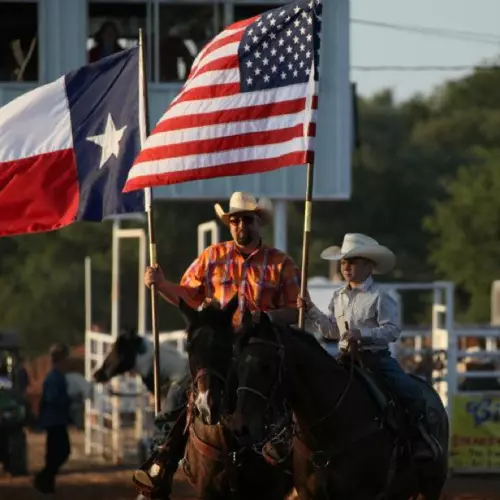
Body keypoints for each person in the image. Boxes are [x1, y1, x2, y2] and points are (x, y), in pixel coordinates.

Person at [133, 191, 301, 498]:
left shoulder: (280, 263)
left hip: (260, 346)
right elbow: (188, 296)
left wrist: (263, 317)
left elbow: (295, 310)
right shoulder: (212, 257)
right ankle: (162, 463)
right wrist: (161, 285)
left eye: (246, 220)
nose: (240, 226)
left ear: (257, 223)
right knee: (180, 392)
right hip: (221, 349)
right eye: (235, 220)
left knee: (297, 390)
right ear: (229, 224)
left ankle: (304, 457)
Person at [297, 233, 442, 463]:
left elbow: (392, 330)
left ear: (369, 266)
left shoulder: (381, 297)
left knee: (410, 391)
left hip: (376, 360)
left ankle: (419, 440)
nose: (346, 266)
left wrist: (362, 335)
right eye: (344, 262)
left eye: (352, 261)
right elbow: (332, 331)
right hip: (345, 358)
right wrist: (311, 310)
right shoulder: (339, 296)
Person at [34, 343, 72, 494]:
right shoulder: (54, 377)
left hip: (55, 420)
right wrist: (68, 400)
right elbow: (52, 398)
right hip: (54, 421)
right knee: (61, 451)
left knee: (55, 453)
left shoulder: (56, 376)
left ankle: (46, 484)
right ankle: (43, 479)